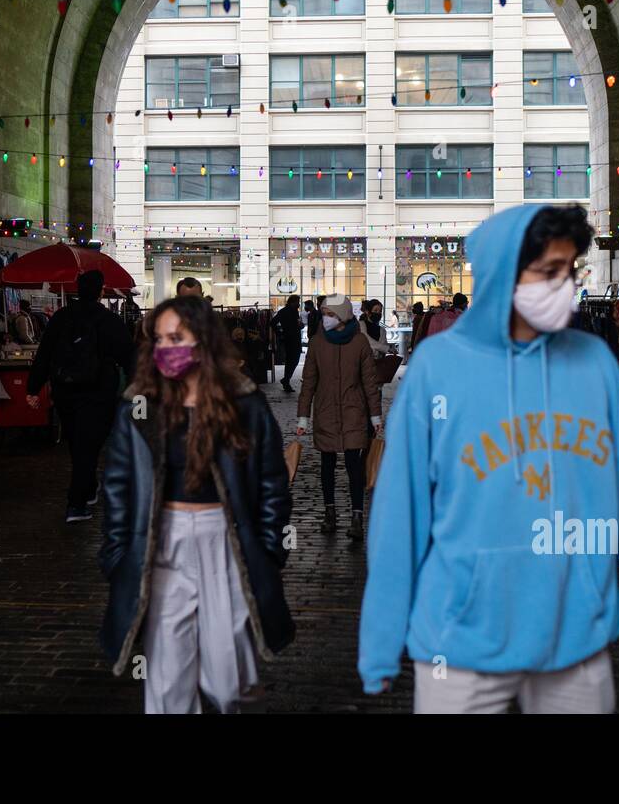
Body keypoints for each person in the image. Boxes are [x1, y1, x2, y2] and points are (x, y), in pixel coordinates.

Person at [359, 204, 619, 712]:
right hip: (460, 641)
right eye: (547, 272)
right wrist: (381, 641)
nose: (562, 285)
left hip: (576, 638)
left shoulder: (594, 364)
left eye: (569, 271)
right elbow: (401, 516)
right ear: (503, 273)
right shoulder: (436, 370)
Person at [99, 297, 294, 713]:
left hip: (226, 543)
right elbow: (117, 485)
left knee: (229, 681)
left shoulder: (245, 404)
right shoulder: (139, 405)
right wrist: (117, 555)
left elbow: (272, 481)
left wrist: (270, 549)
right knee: (167, 682)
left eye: (176, 338)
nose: (165, 348)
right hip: (160, 543)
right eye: (159, 340)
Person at [27, 269, 135, 523]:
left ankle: (86, 489)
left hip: (65, 390)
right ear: (101, 290)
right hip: (99, 391)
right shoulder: (109, 320)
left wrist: (33, 387)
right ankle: (76, 503)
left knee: (77, 442)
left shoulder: (61, 318)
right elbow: (128, 356)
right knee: (90, 444)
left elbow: (44, 354)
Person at [297, 294, 381, 541]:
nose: (326, 318)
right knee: (327, 465)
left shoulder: (360, 343)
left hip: (354, 412)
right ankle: (329, 512)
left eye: (330, 314)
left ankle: (357, 517)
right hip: (326, 412)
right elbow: (309, 383)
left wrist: (375, 415)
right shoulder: (316, 343)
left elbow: (370, 383)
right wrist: (303, 416)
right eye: (324, 313)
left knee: (355, 467)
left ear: (343, 316)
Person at [271, 295, 303, 393]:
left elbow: (273, 322)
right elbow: (272, 322)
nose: (299, 304)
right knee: (293, 360)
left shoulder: (287, 311)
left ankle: (286, 380)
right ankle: (286, 380)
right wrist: (280, 333)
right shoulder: (289, 311)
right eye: (298, 302)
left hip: (290, 338)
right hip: (292, 339)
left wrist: (280, 333)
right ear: (292, 302)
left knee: (291, 360)